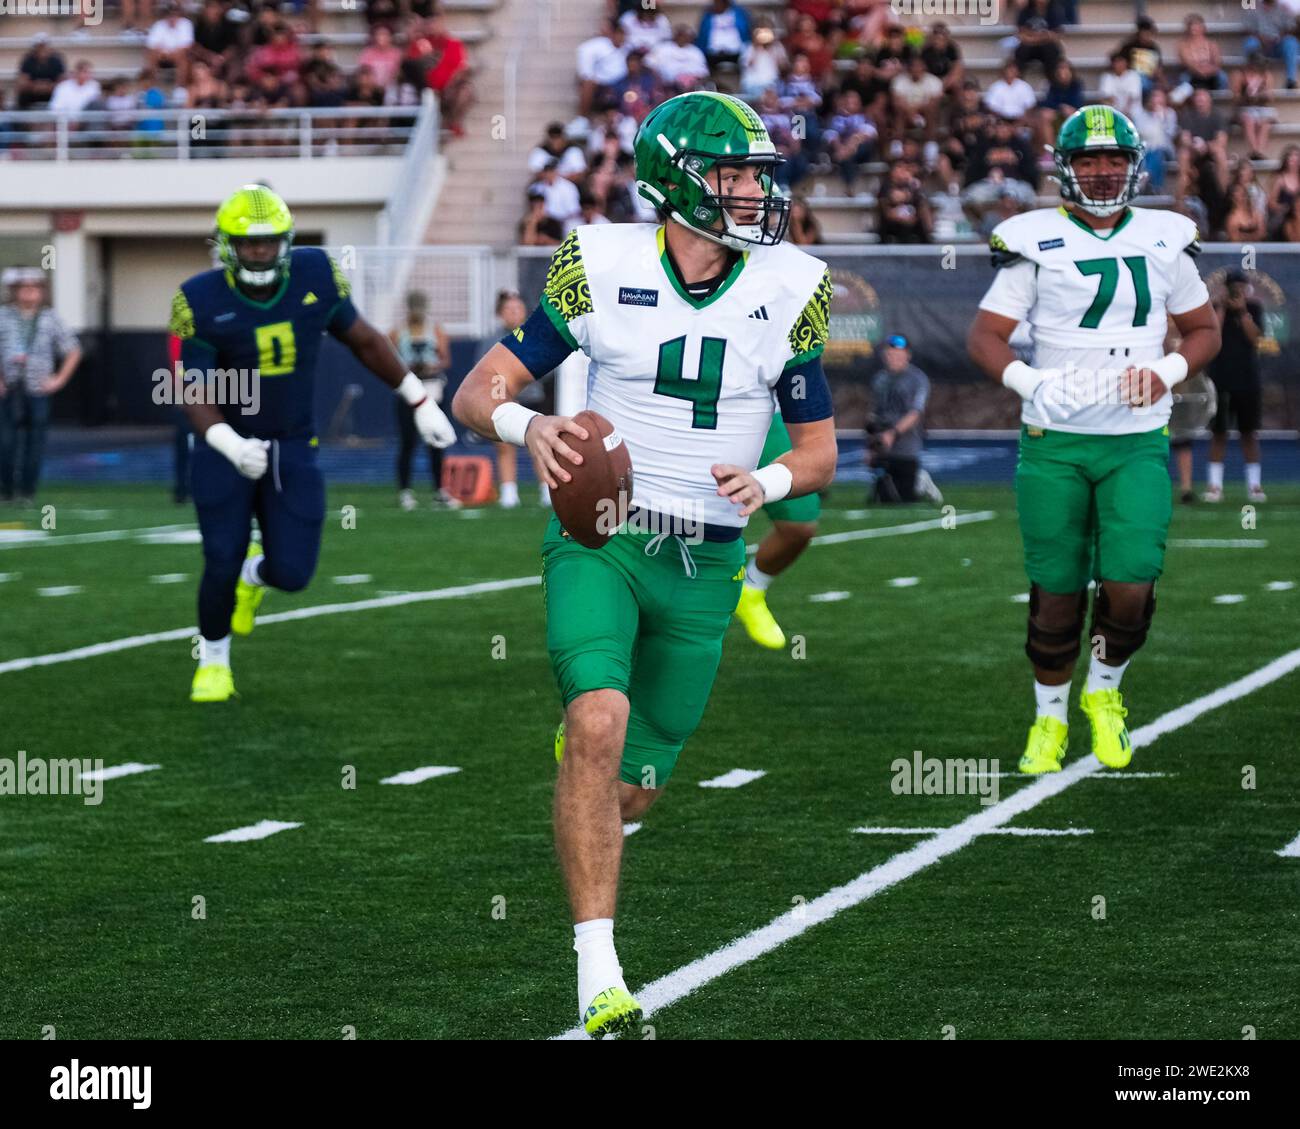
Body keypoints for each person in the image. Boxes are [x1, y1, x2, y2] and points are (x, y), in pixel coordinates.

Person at [452, 92, 836, 1038]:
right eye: (734, 175)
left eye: (756, 175)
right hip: (606, 535)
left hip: (707, 559)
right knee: (598, 720)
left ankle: (597, 771)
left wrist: (772, 476)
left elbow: (823, 451)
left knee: (633, 786)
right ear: (676, 183)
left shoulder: (790, 284)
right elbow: (479, 388)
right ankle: (598, 970)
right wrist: (530, 421)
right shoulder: (599, 261)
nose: (754, 192)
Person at [966, 106, 1221, 776]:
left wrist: (1166, 371)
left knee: (1131, 583)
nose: (1102, 172)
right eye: (1088, 160)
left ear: (1133, 166)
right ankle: (1048, 716)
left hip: (1135, 439)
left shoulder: (1166, 238)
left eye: (1113, 160)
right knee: (1055, 590)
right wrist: (1027, 381)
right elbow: (985, 335)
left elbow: (1204, 330)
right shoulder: (1034, 239)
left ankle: (1102, 693)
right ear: (1065, 167)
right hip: (1055, 440)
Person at [170, 184, 455, 703]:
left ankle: (253, 576)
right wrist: (231, 445)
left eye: (270, 242)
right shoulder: (198, 298)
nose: (260, 252)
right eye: (248, 243)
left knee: (294, 572)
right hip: (223, 446)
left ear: (287, 240)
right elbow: (190, 390)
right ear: (226, 245)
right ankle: (213, 661)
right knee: (219, 556)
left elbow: (365, 339)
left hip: (292, 442)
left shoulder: (315, 274)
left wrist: (419, 400)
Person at [0, 270, 81, 504]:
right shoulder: (4, 317)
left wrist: (59, 379)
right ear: (15, 291)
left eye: (34, 288)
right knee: (6, 442)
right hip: (9, 387)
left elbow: (73, 350)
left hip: (37, 388)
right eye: (24, 288)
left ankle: (27, 492)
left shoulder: (50, 318)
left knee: (34, 442)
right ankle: (6, 489)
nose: (29, 293)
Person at [392, 290, 459, 510]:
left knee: (435, 440)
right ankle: (405, 491)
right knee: (408, 441)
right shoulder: (397, 332)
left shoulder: (435, 330)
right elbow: (390, 361)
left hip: (431, 387)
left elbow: (446, 359)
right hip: (409, 388)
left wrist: (432, 366)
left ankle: (440, 489)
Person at [1205, 270, 1266, 503]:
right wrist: (1221, 307)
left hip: (1247, 379)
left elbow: (1256, 339)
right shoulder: (1214, 308)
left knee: (1249, 433)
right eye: (1232, 287)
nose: (1236, 292)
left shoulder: (1254, 309)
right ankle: (1214, 486)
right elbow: (1213, 337)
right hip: (1220, 379)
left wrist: (1242, 311)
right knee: (1218, 433)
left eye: (1240, 287)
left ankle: (1254, 486)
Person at [482, 290, 547, 508]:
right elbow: (483, 371)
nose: (515, 313)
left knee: (539, 444)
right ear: (501, 314)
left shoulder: (535, 337)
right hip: (504, 399)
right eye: (510, 310)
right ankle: (509, 492)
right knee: (504, 446)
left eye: (518, 309)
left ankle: (547, 490)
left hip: (532, 397)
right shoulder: (492, 340)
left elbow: (549, 368)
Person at [865, 334, 931, 503]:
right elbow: (874, 415)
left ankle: (920, 481)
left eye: (898, 354)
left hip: (906, 446)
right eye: (890, 354)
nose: (893, 358)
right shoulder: (879, 379)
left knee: (906, 499)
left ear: (907, 355)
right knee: (882, 499)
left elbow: (915, 413)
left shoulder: (917, 379)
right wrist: (871, 447)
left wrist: (892, 434)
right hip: (884, 449)